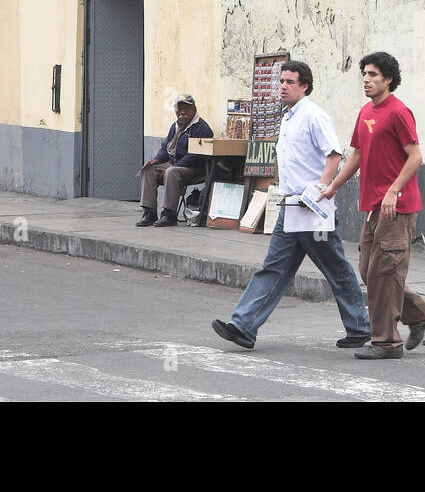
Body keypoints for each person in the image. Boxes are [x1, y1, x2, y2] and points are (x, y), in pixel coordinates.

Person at [211, 61, 370, 350]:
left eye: (289, 82)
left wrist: (321, 189)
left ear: (304, 86)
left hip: (312, 207)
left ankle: (360, 327)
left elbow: (334, 155)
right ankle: (244, 326)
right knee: (274, 268)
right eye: (281, 81)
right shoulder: (288, 117)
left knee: (335, 268)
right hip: (291, 207)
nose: (283, 86)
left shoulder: (313, 115)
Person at [319, 51, 425, 360]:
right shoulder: (366, 111)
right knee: (370, 272)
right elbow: (355, 155)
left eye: (372, 75)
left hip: (397, 206)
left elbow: (415, 156)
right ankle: (419, 313)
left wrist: (393, 191)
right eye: (364, 75)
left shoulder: (399, 112)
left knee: (385, 272)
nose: (366, 80)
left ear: (388, 79)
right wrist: (333, 187)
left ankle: (386, 342)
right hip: (373, 205)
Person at [137, 94, 213, 227]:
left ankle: (169, 214)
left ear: (194, 109)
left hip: (194, 168)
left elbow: (195, 156)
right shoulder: (175, 125)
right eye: (179, 109)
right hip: (176, 165)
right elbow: (166, 147)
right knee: (148, 168)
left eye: (186, 109)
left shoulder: (201, 128)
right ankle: (149, 212)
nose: (182, 112)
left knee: (171, 172)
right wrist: (157, 159)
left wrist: (170, 167)